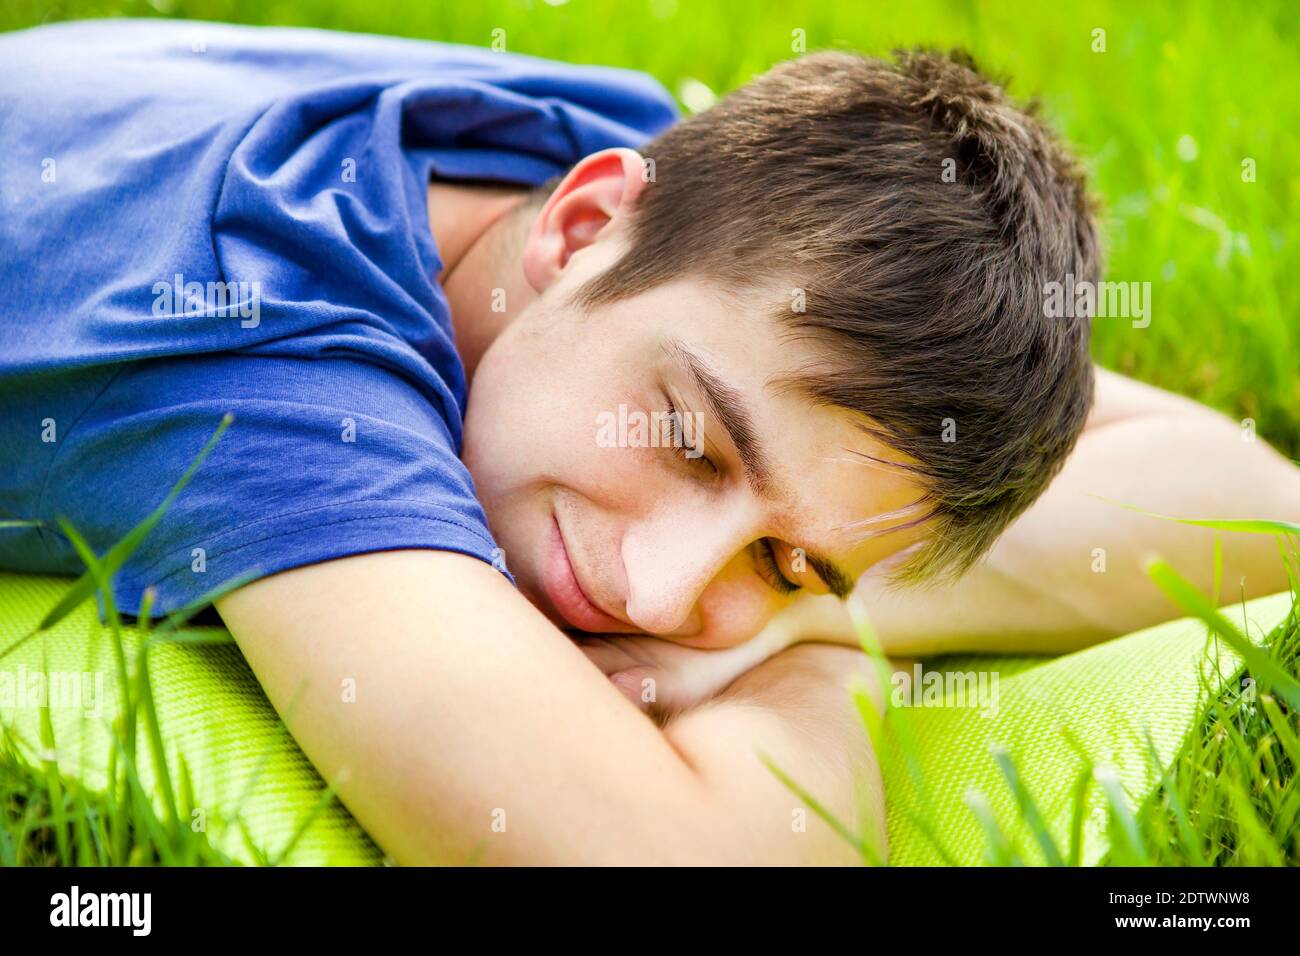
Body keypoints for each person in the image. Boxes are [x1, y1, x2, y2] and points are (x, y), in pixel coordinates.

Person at [1, 20, 1295, 864]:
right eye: (688, 444)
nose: (656, 594)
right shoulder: (274, 345)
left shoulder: (649, 194)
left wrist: (820, 604)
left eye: (784, 563)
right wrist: (820, 668)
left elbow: (1254, 505)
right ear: (579, 230)